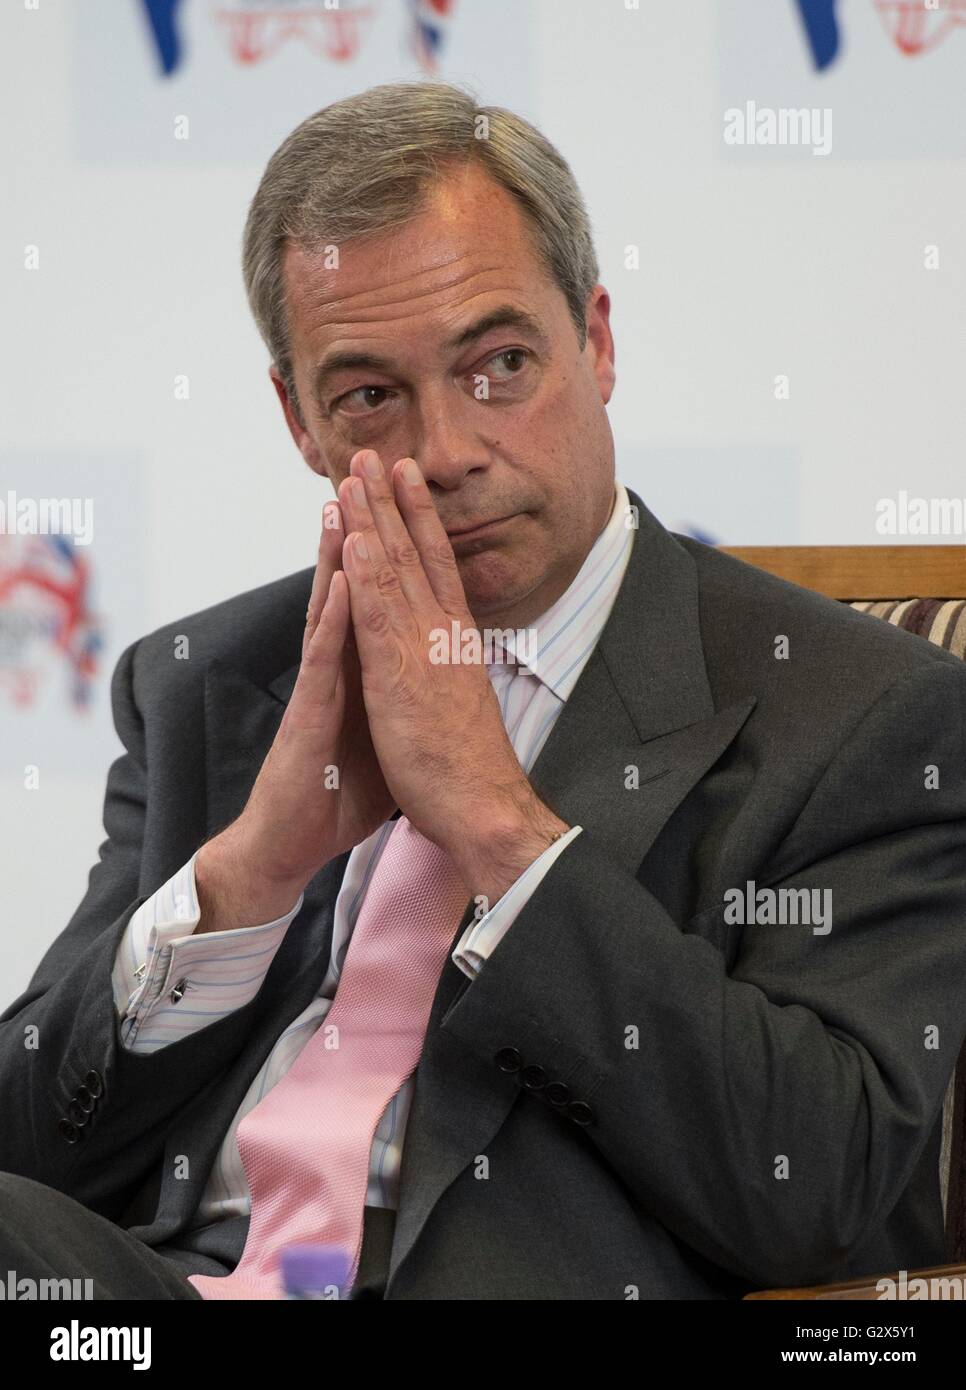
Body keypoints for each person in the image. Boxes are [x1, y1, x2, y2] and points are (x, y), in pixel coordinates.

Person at [2, 80, 965, 1301]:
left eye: (500, 364)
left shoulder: (869, 714)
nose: (446, 450)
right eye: (369, 396)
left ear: (598, 342)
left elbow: (817, 1188)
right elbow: (25, 1148)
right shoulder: (208, 686)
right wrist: (249, 872)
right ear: (299, 419)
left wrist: (497, 823)